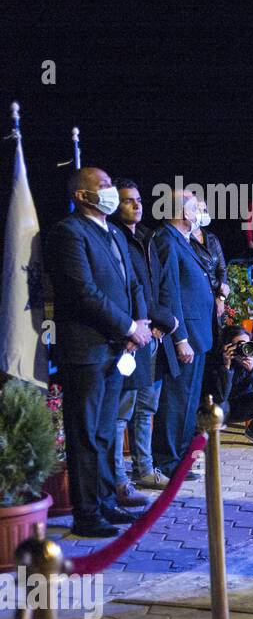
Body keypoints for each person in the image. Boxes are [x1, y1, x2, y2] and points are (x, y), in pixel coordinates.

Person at [47, 168, 154, 538]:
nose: (110, 192)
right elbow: (83, 292)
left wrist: (138, 325)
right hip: (87, 350)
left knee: (106, 433)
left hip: (116, 347)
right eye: (104, 186)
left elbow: (133, 284)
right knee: (87, 433)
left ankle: (107, 501)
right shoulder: (68, 232)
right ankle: (87, 513)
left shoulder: (115, 233)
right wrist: (127, 327)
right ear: (81, 195)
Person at [108, 179, 175, 502]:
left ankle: (145, 469)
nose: (136, 205)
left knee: (147, 407)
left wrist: (161, 324)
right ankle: (118, 477)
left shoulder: (148, 237)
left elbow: (160, 286)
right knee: (122, 411)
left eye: (138, 200)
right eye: (128, 201)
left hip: (153, 335)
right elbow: (124, 290)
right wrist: (142, 325)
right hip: (131, 338)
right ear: (114, 205)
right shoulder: (113, 237)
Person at [153, 188, 217, 482]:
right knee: (176, 402)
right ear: (183, 211)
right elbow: (170, 293)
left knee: (188, 401)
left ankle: (181, 458)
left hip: (198, 333)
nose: (201, 212)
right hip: (185, 335)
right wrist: (180, 338)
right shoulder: (167, 240)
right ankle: (168, 461)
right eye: (197, 208)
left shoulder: (184, 239)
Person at [211, 325, 253, 447]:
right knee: (219, 404)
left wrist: (252, 369)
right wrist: (226, 367)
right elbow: (220, 396)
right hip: (221, 408)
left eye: (246, 344)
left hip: (243, 405)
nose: (244, 349)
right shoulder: (216, 358)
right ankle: (209, 434)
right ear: (227, 346)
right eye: (238, 345)